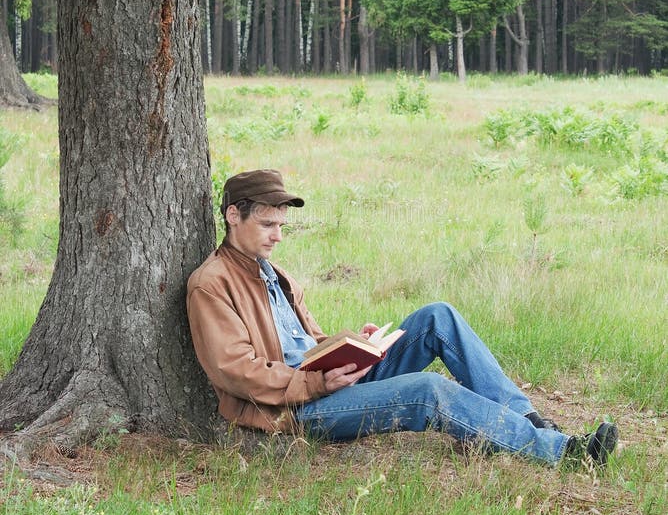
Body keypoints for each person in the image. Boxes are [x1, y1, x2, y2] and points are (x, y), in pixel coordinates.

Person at [187, 169, 619, 468]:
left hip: (326, 381)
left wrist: (356, 346)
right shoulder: (212, 284)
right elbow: (235, 371)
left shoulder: (274, 273)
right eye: (267, 225)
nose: (278, 236)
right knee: (427, 391)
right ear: (232, 216)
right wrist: (316, 383)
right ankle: (562, 452)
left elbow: (308, 341)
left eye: (282, 225)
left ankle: (523, 421)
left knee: (438, 317)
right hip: (295, 408)